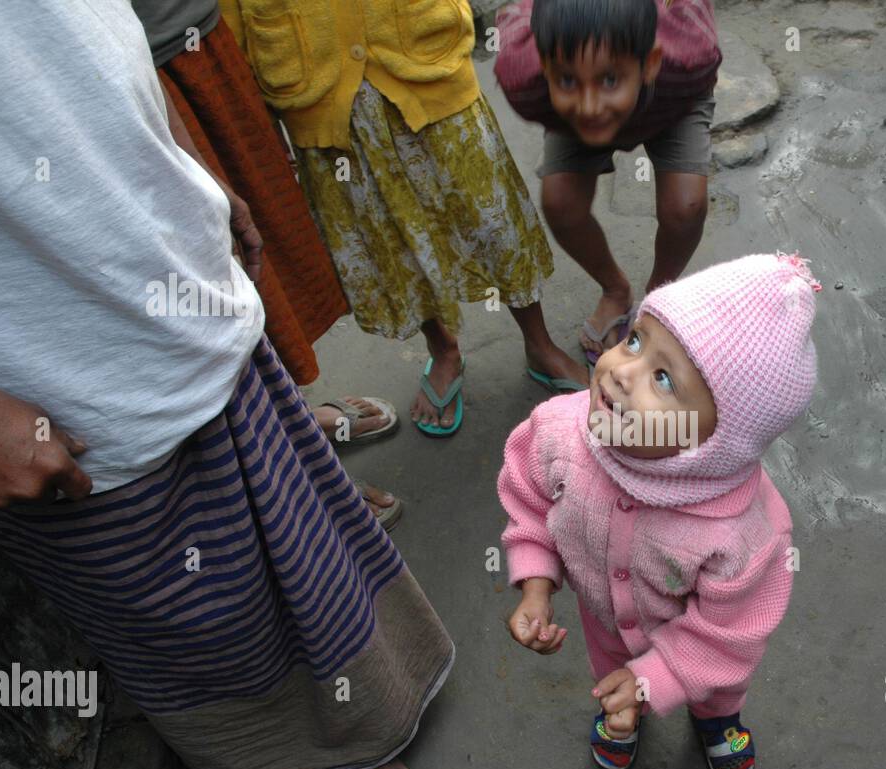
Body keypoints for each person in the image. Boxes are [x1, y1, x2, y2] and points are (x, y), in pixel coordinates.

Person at [0, 0, 454, 769]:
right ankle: (283, 742)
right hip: (58, 361)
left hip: (172, 269)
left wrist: (188, 167)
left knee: (291, 534)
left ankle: (346, 701)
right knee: (199, 603)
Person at [497, 253, 818, 769]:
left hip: (701, 651)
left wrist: (656, 678)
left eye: (664, 380)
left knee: (713, 691)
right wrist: (535, 582)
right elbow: (528, 495)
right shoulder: (560, 432)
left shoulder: (742, 531)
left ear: (721, 439)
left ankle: (717, 725)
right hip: (604, 622)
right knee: (611, 676)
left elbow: (727, 635)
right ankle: (620, 711)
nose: (621, 373)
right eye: (637, 340)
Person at [220, 0, 591, 439]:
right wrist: (262, 125)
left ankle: (539, 343)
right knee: (389, 246)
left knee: (490, 220)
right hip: (318, 95)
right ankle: (443, 349)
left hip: (421, 57)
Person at [131, 0, 404, 527]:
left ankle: (292, 420)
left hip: (190, 45)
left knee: (256, 263)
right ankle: (289, 466)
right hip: (110, 92)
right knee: (190, 288)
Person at [495, 0, 722, 364]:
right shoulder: (524, 80)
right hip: (576, 100)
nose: (589, 106)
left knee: (686, 206)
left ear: (650, 63)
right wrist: (602, 88)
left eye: (609, 79)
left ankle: (657, 300)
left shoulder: (691, 57)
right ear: (544, 67)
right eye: (567, 79)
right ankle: (615, 290)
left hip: (671, 100)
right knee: (561, 204)